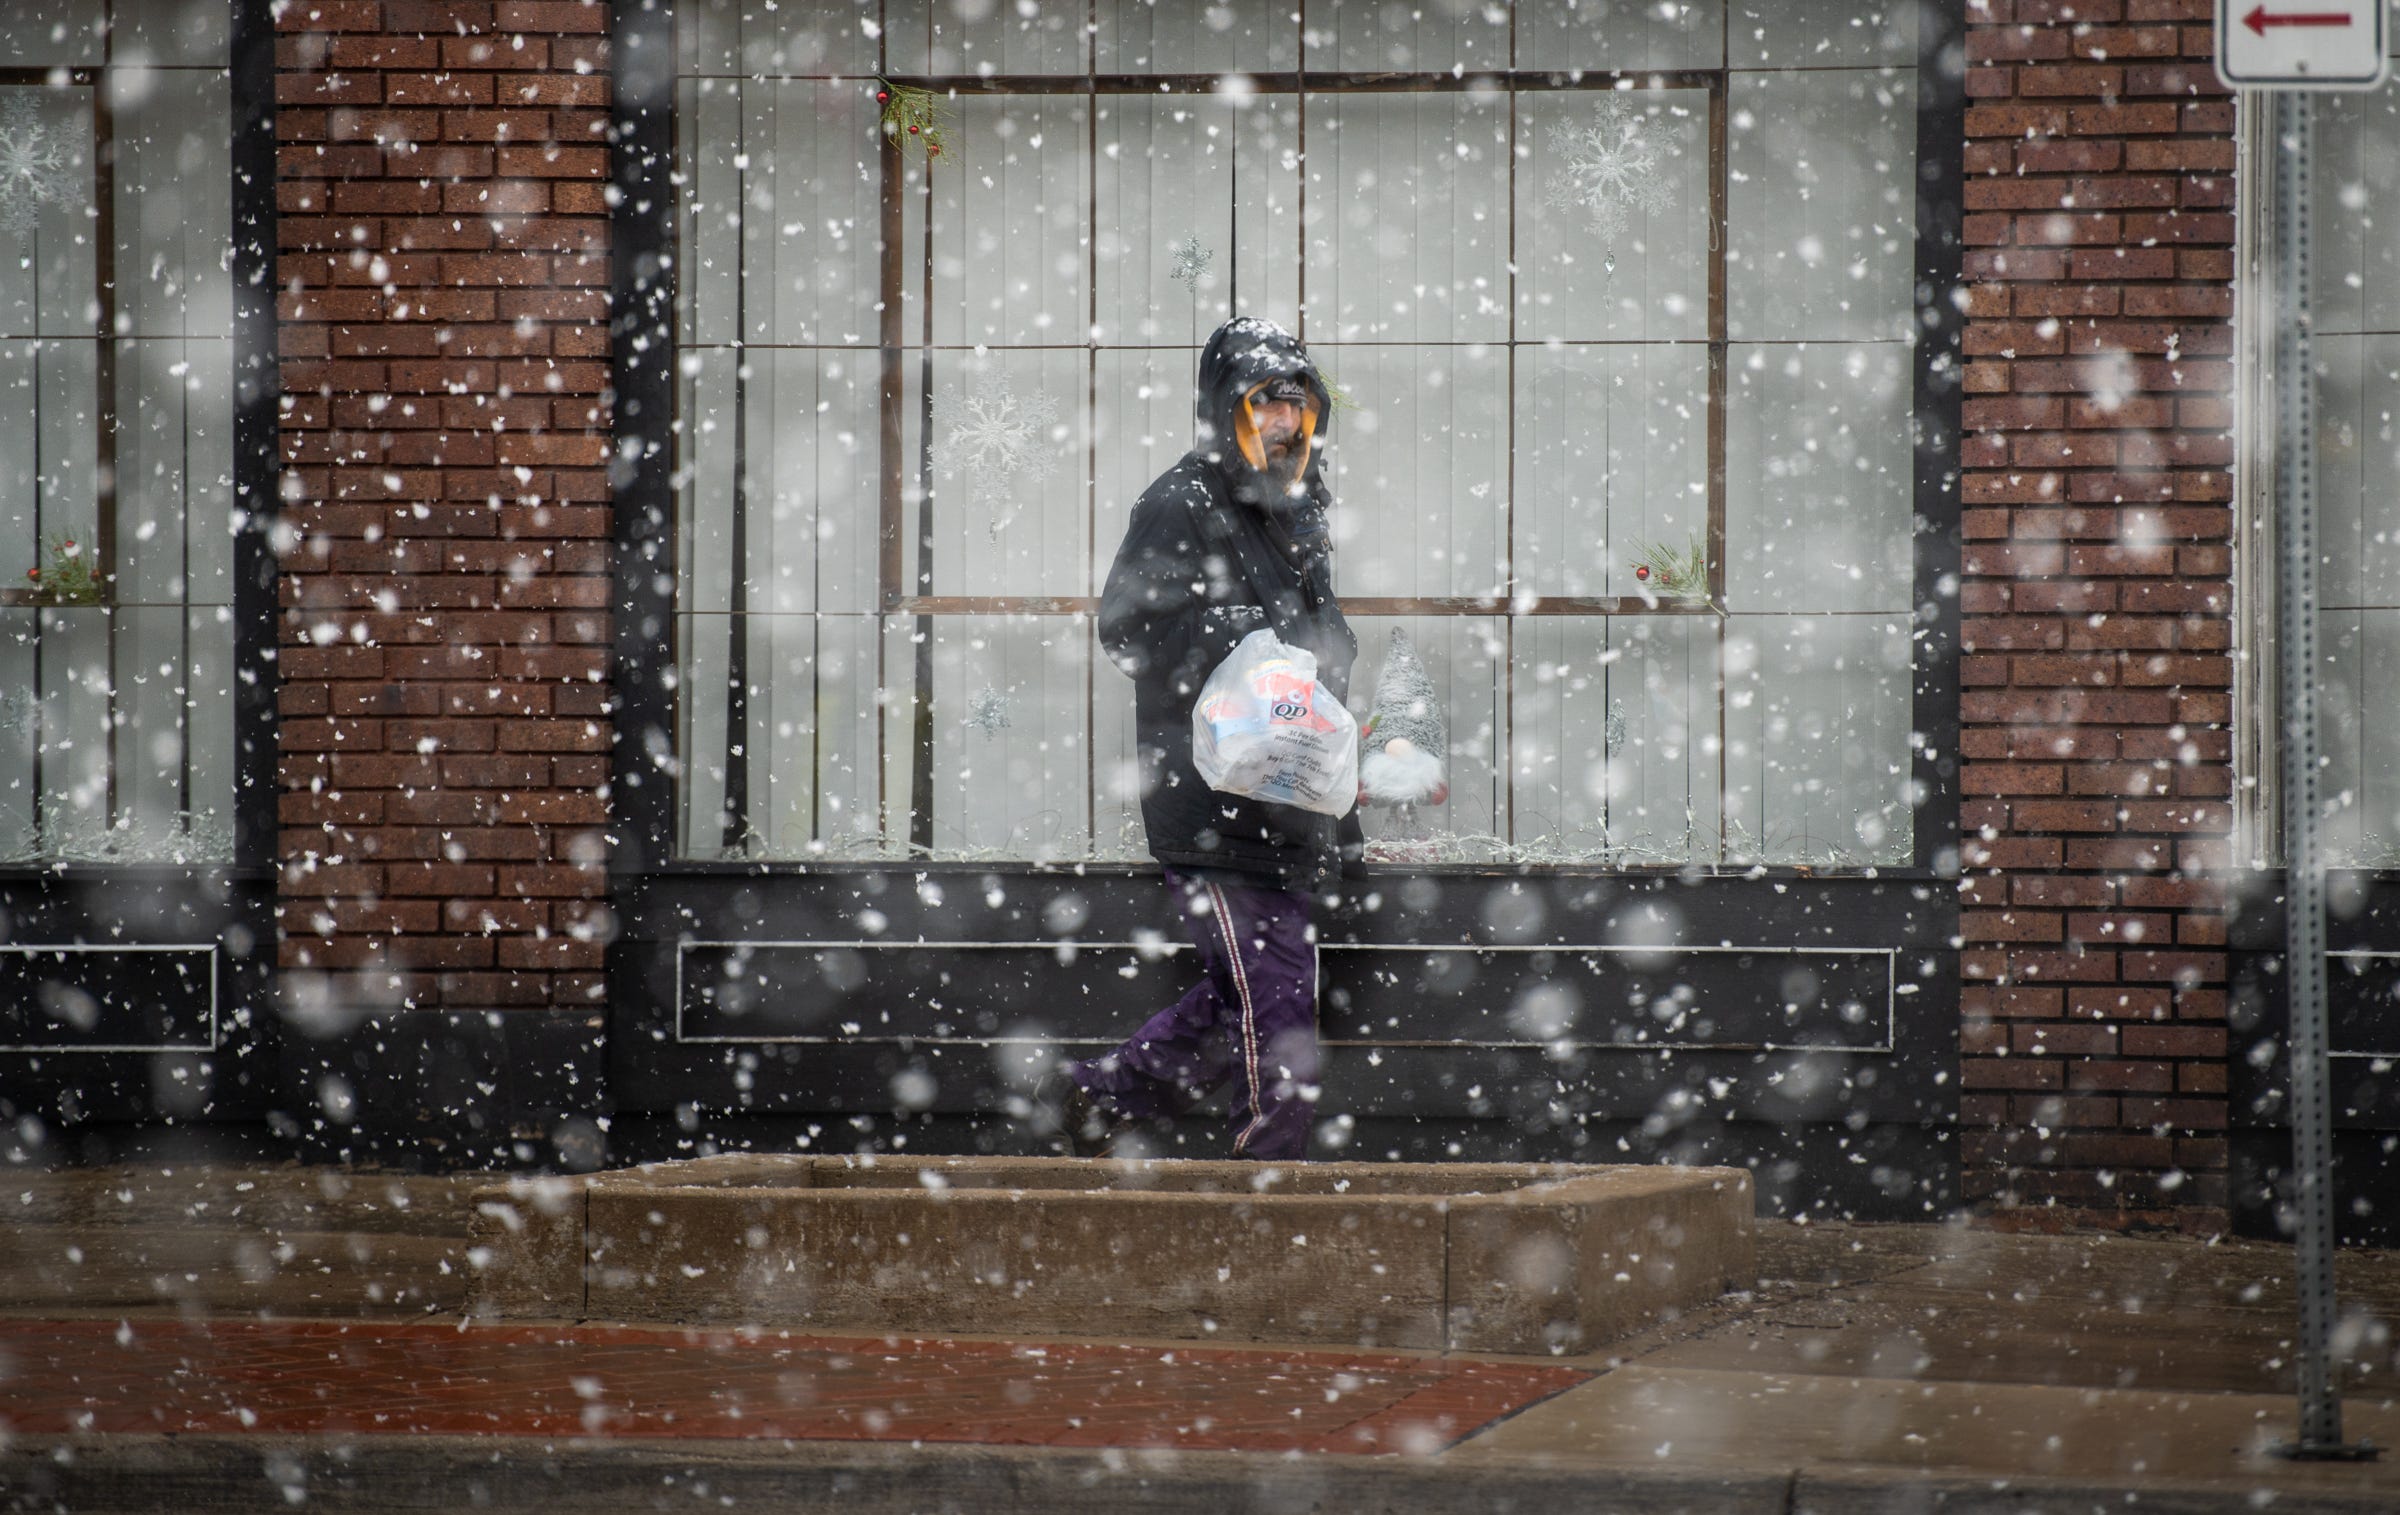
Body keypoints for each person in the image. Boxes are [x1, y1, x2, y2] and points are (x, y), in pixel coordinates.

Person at [1039, 316, 1362, 1162]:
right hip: (1212, 809)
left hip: (1289, 799)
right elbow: (1127, 629)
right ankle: (1267, 1180)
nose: (1285, 423)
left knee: (1247, 998)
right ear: (1229, 410)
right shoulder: (1179, 501)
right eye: (1265, 405)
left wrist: (1343, 797)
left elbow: (1322, 647)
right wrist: (1241, 635)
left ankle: (1098, 1094)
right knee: (1278, 1006)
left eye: (1296, 406)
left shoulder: (1297, 508)